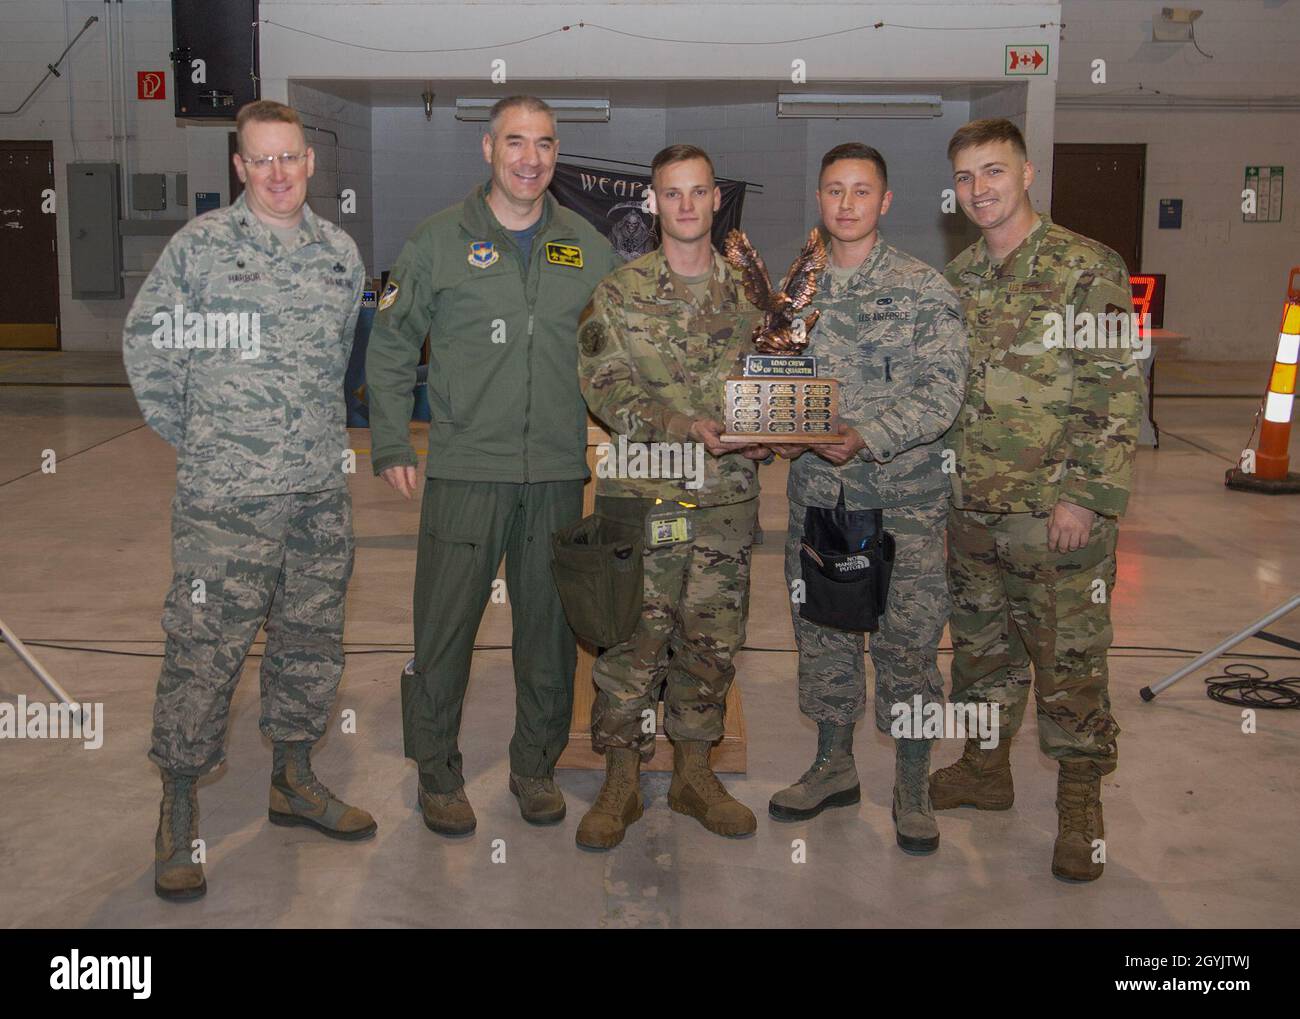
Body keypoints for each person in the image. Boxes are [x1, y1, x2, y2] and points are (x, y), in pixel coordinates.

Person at [124, 99, 374, 902]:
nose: (277, 174)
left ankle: (293, 777)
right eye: (260, 160)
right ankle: (179, 804)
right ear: (239, 167)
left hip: (314, 496)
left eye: (290, 158)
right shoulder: (199, 249)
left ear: (309, 161)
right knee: (204, 653)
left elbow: (336, 358)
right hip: (222, 502)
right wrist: (203, 436)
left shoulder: (339, 255)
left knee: (309, 642)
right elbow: (148, 346)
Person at [365, 96, 617, 835]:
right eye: (515, 142)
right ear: (487, 149)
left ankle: (534, 767)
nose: (530, 157)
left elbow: (614, 347)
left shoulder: (585, 245)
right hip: (466, 471)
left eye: (543, 143)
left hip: (554, 475)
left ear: (555, 152)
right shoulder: (438, 241)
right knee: (444, 630)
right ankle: (437, 773)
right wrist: (389, 441)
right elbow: (389, 344)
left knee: (545, 631)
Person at [934, 118, 1144, 881]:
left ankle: (1080, 800)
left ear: (1026, 174)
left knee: (1070, 663)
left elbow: (1113, 388)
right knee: (984, 656)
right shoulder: (957, 280)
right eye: (964, 177)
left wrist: (1085, 497)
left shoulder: (1087, 266)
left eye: (993, 171)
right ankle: (987, 770)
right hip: (974, 513)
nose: (978, 188)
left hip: (1055, 517)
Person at [765, 143, 968, 854]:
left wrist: (868, 434)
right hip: (820, 496)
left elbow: (943, 392)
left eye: (861, 191)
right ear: (818, 199)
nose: (846, 203)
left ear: (885, 202)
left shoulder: (922, 288)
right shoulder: (795, 296)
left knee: (907, 644)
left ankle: (912, 781)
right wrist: (776, 431)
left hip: (902, 502)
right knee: (822, 635)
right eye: (833, 190)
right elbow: (773, 383)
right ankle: (833, 765)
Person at [574, 144, 769, 849]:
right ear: (653, 204)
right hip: (644, 496)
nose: (685, 205)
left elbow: (775, 382)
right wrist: (679, 424)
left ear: (717, 199)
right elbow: (602, 383)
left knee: (712, 642)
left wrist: (776, 425)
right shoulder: (619, 292)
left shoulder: (754, 297)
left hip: (725, 501)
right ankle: (621, 780)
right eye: (671, 194)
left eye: (697, 192)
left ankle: (693, 772)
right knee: (632, 639)